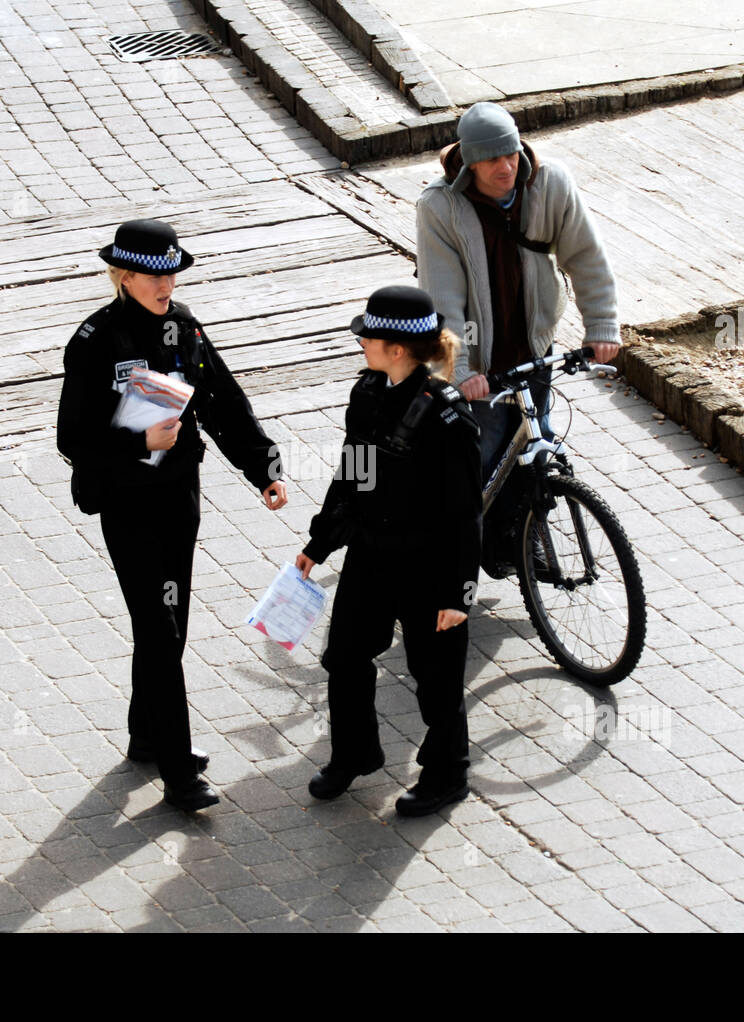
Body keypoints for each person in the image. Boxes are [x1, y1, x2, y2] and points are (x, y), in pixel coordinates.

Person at [57, 219, 288, 813]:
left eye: (172, 270)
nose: (167, 282)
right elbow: (72, 438)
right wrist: (138, 444)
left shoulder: (183, 324)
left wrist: (263, 467)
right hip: (128, 500)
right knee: (160, 631)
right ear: (123, 275)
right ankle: (178, 773)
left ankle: (146, 734)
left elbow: (222, 400)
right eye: (154, 273)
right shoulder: (93, 340)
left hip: (179, 495)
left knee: (169, 623)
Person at [296, 286, 482, 817]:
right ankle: (355, 753)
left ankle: (448, 773)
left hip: (429, 568)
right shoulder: (368, 394)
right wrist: (320, 542)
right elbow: (353, 474)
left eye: (368, 336)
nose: (361, 343)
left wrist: (457, 593)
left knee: (436, 675)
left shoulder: (447, 417)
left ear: (397, 348)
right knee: (345, 656)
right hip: (373, 554)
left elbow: (464, 514)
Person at [416, 100, 620, 475]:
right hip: (477, 359)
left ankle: (534, 527)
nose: (506, 167)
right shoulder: (439, 207)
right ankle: (474, 532)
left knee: (537, 445)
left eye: (511, 154)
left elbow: (586, 255)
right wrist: (456, 370)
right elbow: (442, 298)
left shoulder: (551, 183)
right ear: (471, 162)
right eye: (493, 159)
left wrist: (602, 325)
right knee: (484, 460)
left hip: (533, 345)